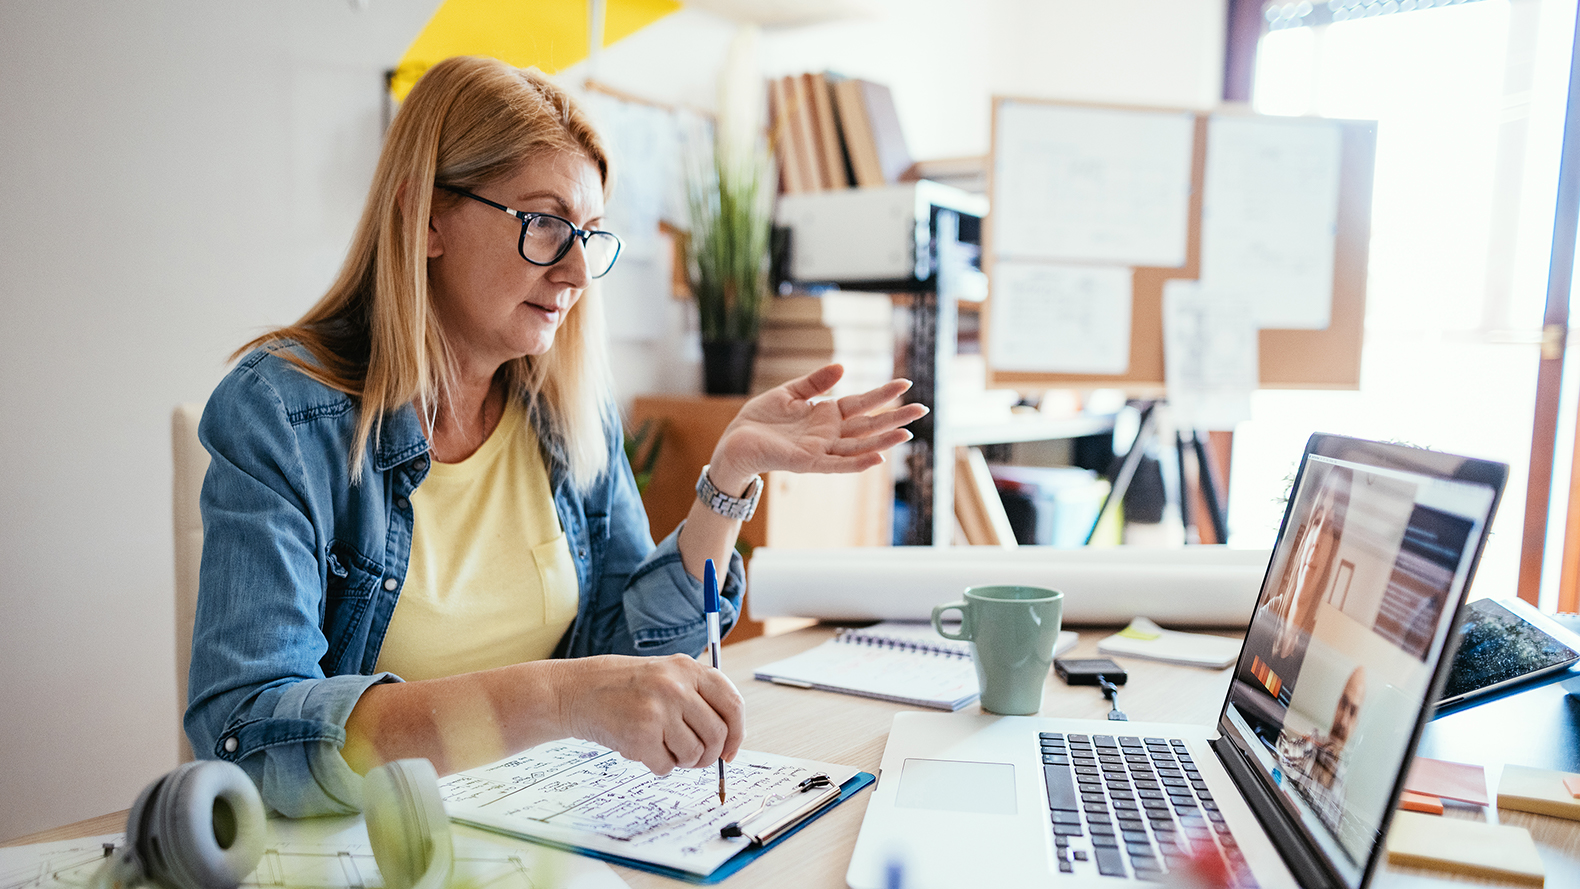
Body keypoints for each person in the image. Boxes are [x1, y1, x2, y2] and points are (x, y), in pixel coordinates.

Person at [184, 56, 927, 817]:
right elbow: (248, 734)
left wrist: (727, 480)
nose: (576, 271)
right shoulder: (279, 411)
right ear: (425, 219)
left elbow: (626, 651)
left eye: (591, 235)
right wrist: (561, 696)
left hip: (540, 829)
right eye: (545, 224)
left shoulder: (562, 411)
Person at [1276, 666, 1367, 832]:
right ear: (1338, 703)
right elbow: (1276, 757)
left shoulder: (1347, 793)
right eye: (1344, 704)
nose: (1343, 721)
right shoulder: (1309, 745)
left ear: (1358, 722)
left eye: (1353, 712)